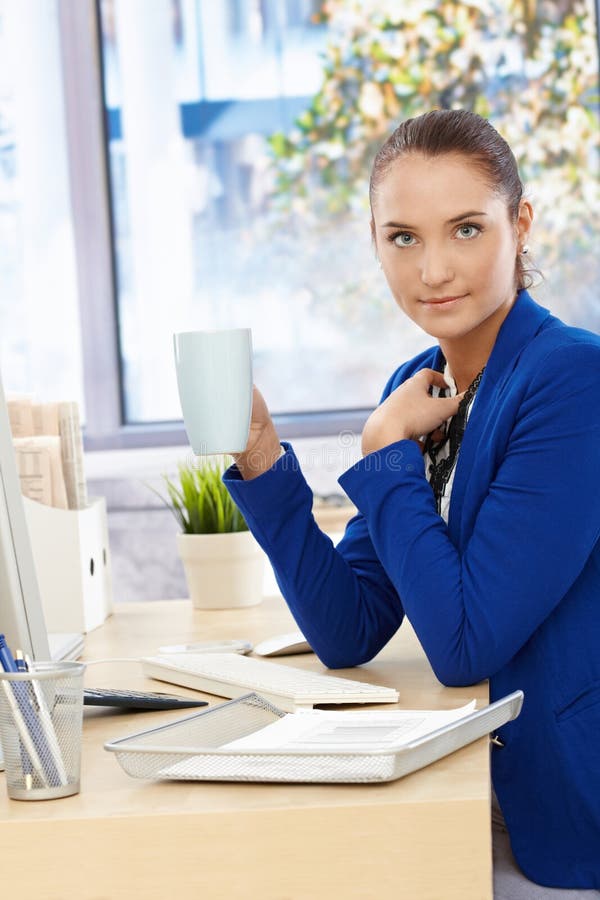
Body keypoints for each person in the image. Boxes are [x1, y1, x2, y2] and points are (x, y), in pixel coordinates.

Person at [223, 109, 600, 896]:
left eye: (466, 229)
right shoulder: (420, 387)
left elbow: (466, 641)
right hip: (476, 809)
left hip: (571, 828)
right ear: (375, 243)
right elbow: (349, 627)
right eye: (404, 238)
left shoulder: (571, 380)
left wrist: (383, 450)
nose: (433, 271)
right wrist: (261, 458)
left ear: (520, 224)